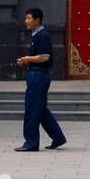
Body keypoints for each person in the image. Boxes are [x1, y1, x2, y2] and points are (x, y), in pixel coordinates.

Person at [14, 8, 66, 151]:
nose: (26, 21)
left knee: (31, 108)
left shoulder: (42, 35)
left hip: (38, 75)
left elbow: (44, 57)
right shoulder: (36, 35)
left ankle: (31, 142)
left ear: (37, 20)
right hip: (36, 74)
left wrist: (27, 59)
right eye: (26, 18)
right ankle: (58, 137)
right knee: (40, 109)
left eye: (29, 18)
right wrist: (26, 61)